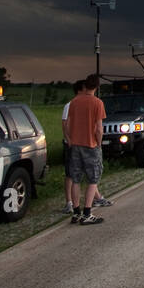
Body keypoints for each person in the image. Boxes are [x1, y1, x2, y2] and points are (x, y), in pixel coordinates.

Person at [66, 74, 110, 224]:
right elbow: (98, 128)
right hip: (90, 145)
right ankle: (87, 213)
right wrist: (99, 143)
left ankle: (76, 212)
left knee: (76, 179)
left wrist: (70, 140)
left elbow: (68, 124)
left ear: (85, 85)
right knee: (93, 179)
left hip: (75, 145)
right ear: (97, 87)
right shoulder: (98, 103)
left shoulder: (74, 102)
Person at [59, 79, 81, 215]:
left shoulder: (79, 104)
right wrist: (69, 141)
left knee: (84, 172)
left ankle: (96, 197)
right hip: (72, 144)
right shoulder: (70, 105)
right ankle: (69, 202)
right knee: (70, 174)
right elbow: (65, 124)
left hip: (81, 143)